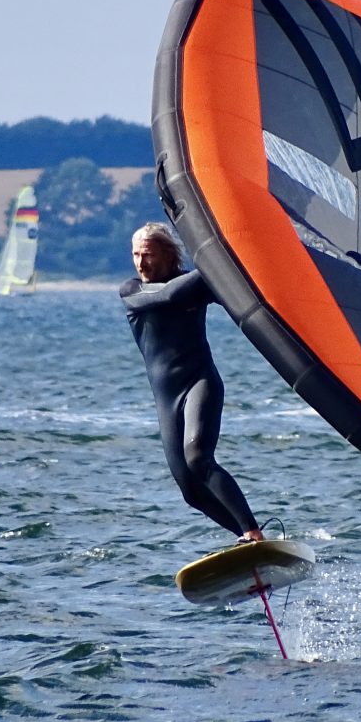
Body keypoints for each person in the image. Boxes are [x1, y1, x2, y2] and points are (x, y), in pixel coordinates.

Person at [119, 222, 265, 543]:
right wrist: (217, 260)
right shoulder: (132, 291)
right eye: (136, 254)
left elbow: (243, 296)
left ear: (169, 255)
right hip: (167, 400)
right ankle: (253, 539)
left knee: (198, 457)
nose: (141, 263)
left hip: (200, 382)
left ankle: (252, 532)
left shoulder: (195, 285)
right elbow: (170, 295)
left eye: (149, 255)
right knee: (190, 489)